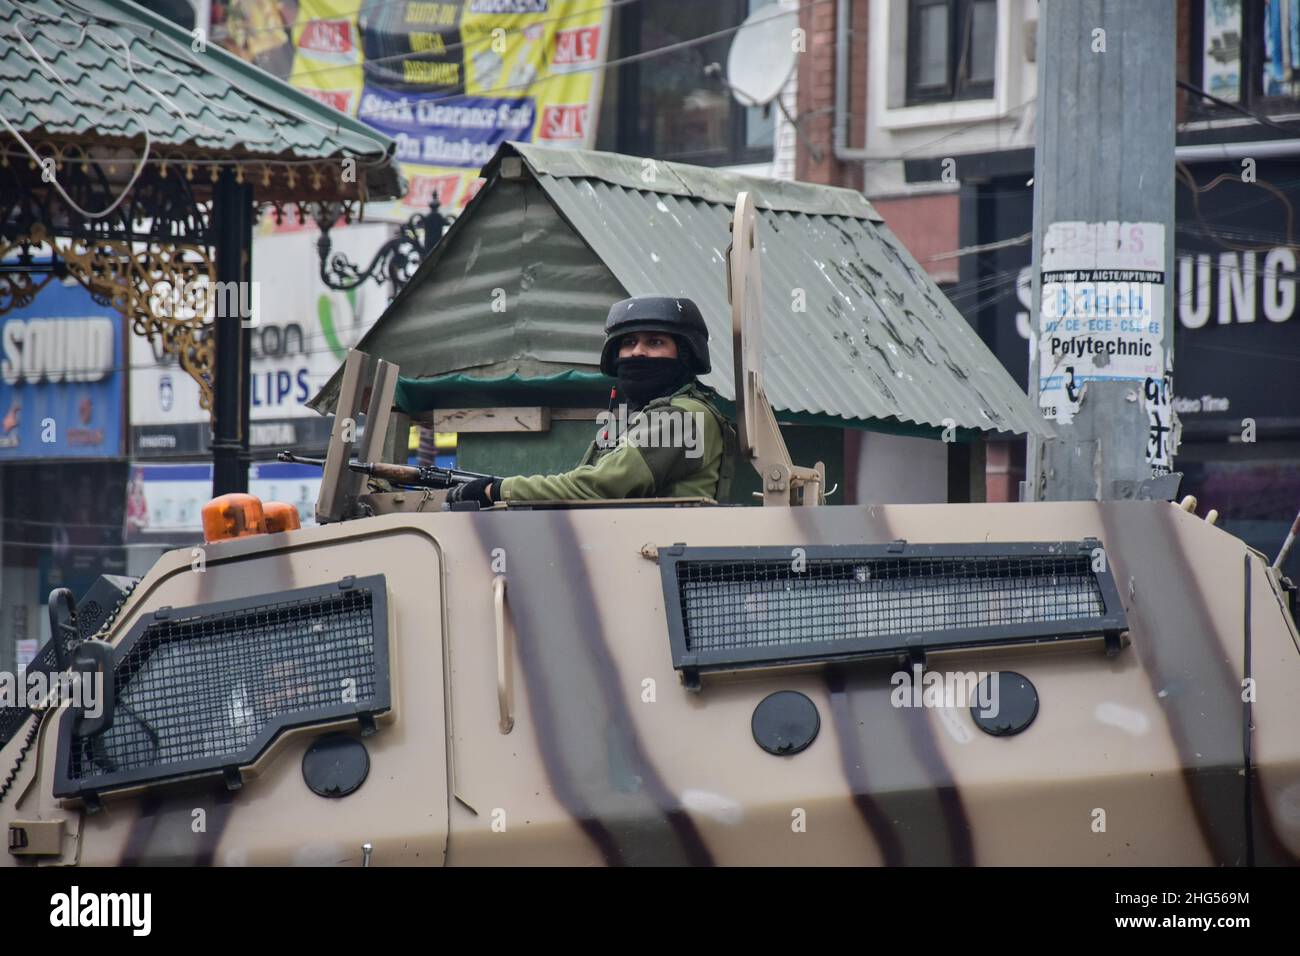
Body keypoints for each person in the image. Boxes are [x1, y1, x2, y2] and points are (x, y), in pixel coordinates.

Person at [447, 296, 736, 507]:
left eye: (655, 342)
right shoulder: (645, 415)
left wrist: (496, 490)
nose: (638, 352)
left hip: (657, 563)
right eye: (628, 342)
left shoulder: (680, 417)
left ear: (684, 354)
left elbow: (601, 486)